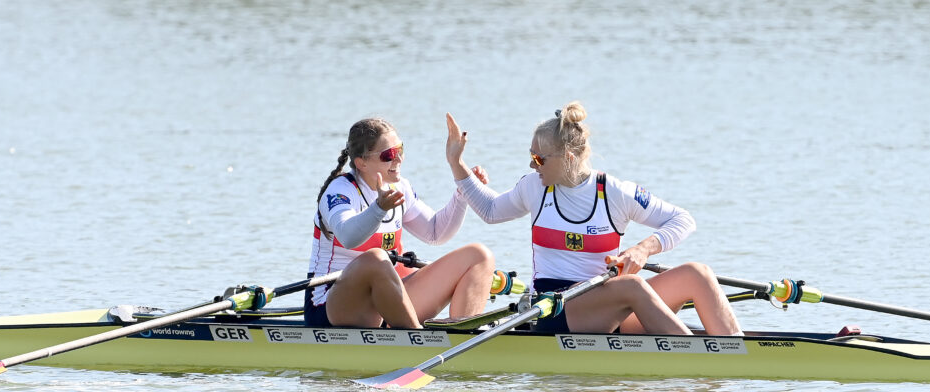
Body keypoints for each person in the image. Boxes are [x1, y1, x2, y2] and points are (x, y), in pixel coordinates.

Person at [443, 102, 743, 336]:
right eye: (531, 156)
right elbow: (491, 210)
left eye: (539, 158)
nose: (532, 164)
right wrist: (457, 163)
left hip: (611, 306)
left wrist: (643, 249)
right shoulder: (535, 187)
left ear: (568, 159)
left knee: (698, 273)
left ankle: (739, 355)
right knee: (633, 286)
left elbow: (683, 219)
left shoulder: (615, 192)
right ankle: (697, 360)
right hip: (554, 310)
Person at [306, 117, 496, 329]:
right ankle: (417, 340)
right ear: (362, 163)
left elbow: (435, 232)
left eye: (400, 149)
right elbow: (348, 237)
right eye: (388, 155)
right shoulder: (340, 190)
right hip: (332, 306)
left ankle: (460, 338)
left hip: (388, 302)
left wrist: (463, 193)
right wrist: (378, 209)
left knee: (479, 255)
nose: (399, 159)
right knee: (376, 258)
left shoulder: (399, 188)